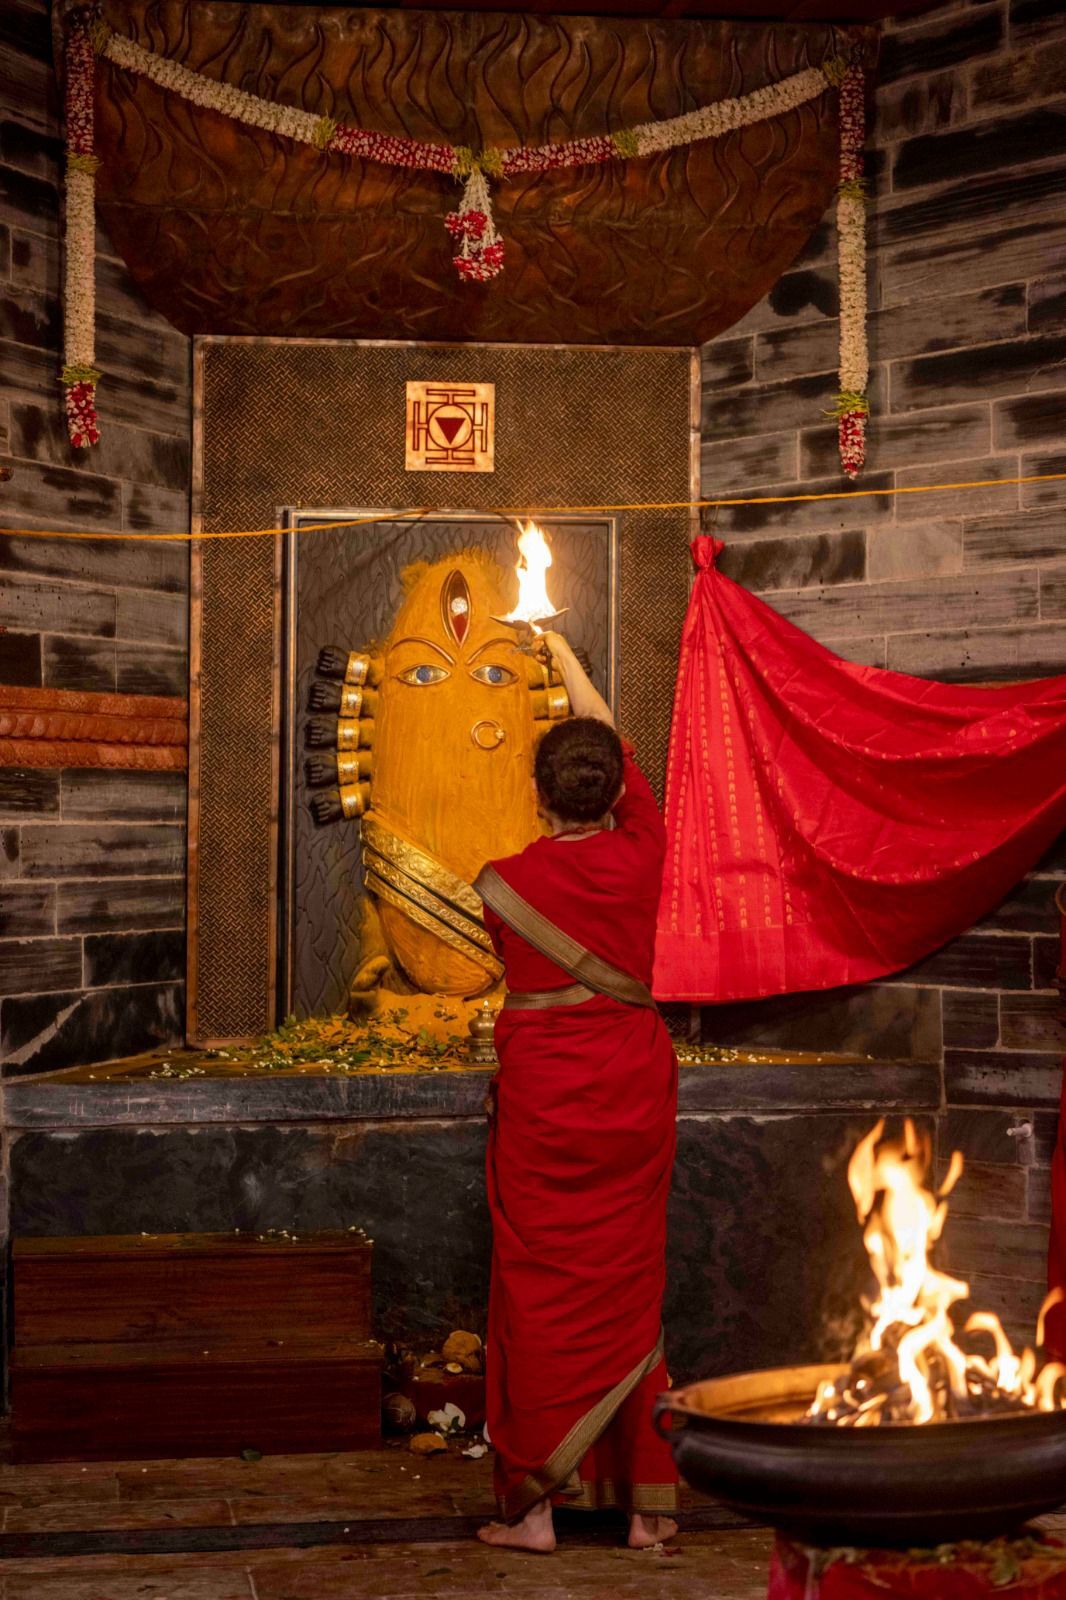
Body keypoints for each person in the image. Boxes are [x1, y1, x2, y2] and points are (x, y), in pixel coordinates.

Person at [473, 631, 679, 1554]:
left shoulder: (505, 885)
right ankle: (645, 1512)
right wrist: (563, 655)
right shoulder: (646, 853)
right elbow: (615, 749)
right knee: (630, 1288)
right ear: (617, 791)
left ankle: (536, 1513)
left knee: (538, 1290)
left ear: (538, 793)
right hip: (632, 1091)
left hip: (544, 1105)